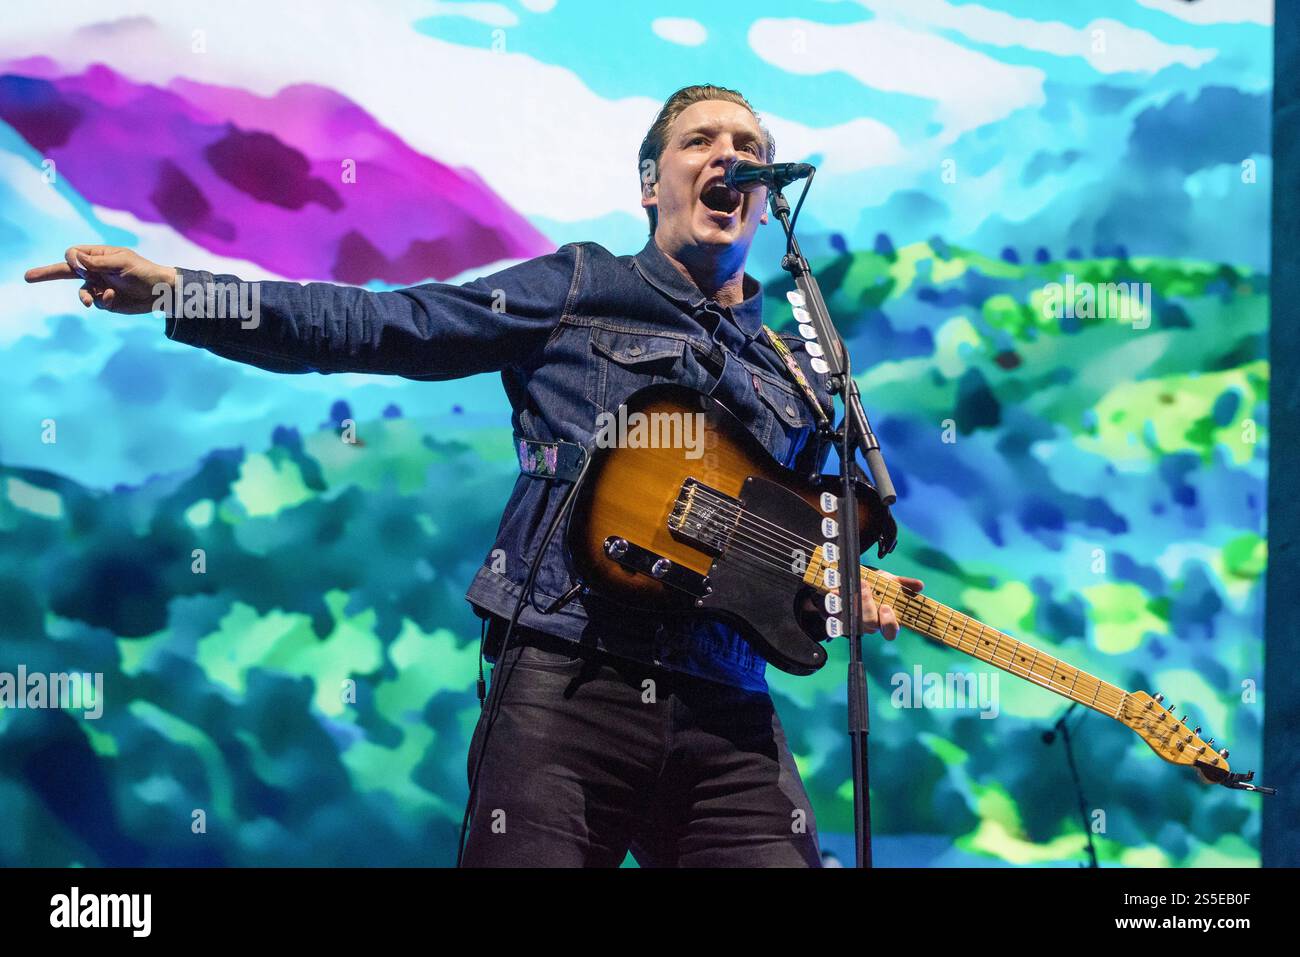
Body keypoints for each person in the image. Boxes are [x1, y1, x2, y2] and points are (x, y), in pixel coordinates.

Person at [25, 83, 923, 867]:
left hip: (729, 706)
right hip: (570, 683)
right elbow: (382, 325)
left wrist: (836, 586)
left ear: (767, 201)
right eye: (702, 141)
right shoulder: (582, 285)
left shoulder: (794, 369)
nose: (731, 156)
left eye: (750, 150)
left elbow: (777, 554)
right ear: (652, 184)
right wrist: (183, 290)